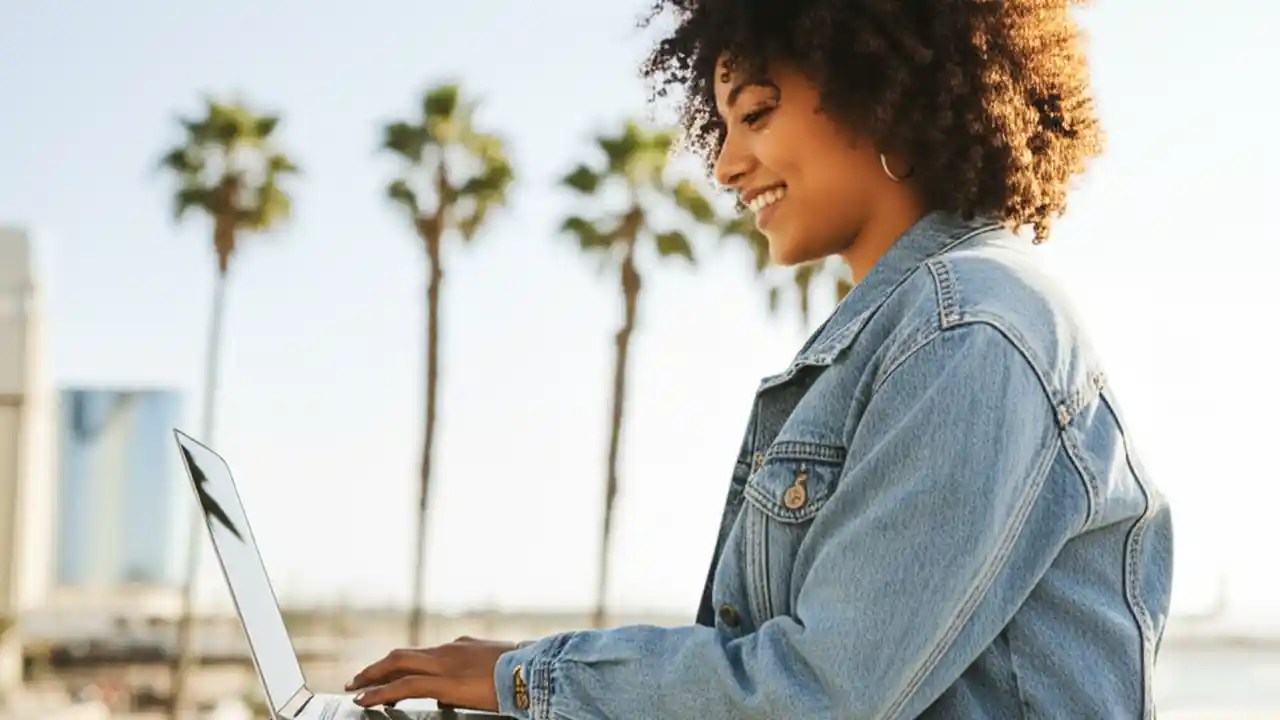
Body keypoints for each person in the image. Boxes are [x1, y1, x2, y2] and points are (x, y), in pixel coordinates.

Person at [346, 0, 1173, 717]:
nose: (725, 163)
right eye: (724, 122)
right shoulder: (901, 333)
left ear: (879, 95)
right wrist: (527, 683)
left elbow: (823, 693)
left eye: (758, 113)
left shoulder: (971, 332)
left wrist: (529, 681)